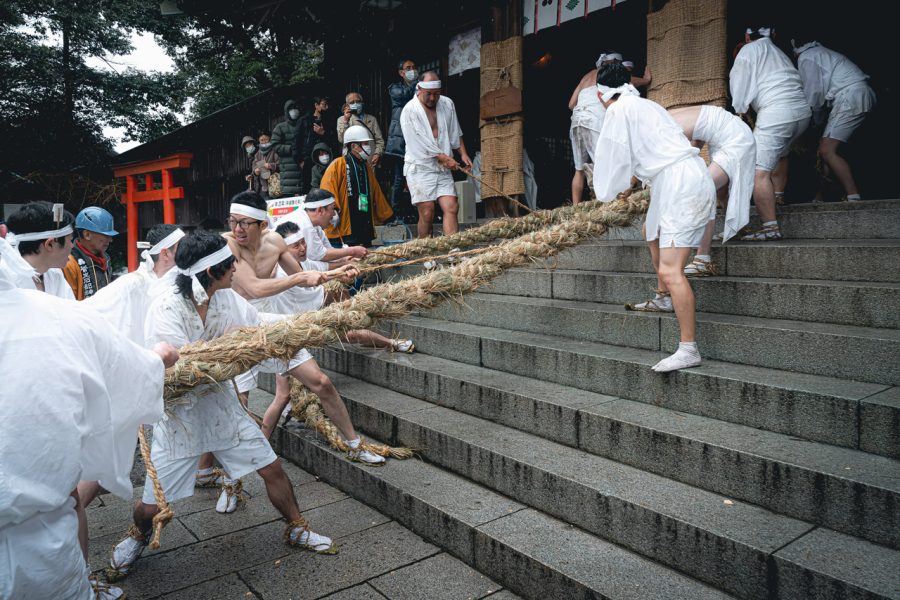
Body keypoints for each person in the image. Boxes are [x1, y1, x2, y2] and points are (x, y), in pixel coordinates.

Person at [107, 232, 340, 581]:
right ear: (211, 271)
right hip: (181, 418)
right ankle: (138, 535)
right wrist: (237, 351)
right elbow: (183, 369)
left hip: (223, 408)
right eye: (229, 262)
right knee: (152, 505)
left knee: (271, 468)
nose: (236, 266)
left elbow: (259, 325)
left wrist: (304, 326)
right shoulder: (166, 308)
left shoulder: (227, 298)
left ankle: (296, 526)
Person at [0, 235, 177, 600]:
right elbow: (119, 356)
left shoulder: (54, 295)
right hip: (40, 535)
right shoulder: (57, 314)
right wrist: (155, 358)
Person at [223, 190, 385, 467]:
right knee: (237, 400)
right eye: (233, 221)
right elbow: (254, 287)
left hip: (268, 320)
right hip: (235, 326)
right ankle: (226, 476)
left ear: (263, 225)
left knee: (321, 382)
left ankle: (354, 444)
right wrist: (301, 275)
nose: (237, 229)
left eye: (244, 223)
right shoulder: (227, 244)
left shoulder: (274, 241)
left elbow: (301, 277)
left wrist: (336, 273)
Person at [592, 63, 716, 372]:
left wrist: (607, 196)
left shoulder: (617, 110)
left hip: (678, 184)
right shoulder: (648, 105)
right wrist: (631, 185)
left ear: (600, 94)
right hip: (681, 177)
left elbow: (612, 158)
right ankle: (663, 296)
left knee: (673, 269)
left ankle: (689, 348)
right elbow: (647, 151)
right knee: (651, 230)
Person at [257, 220, 415, 438]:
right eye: (296, 246)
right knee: (283, 394)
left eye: (303, 243)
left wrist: (346, 263)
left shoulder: (306, 263)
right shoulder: (277, 274)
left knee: (351, 333)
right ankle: (262, 446)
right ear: (283, 250)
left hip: (319, 317)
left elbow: (326, 269)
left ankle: (392, 342)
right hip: (291, 333)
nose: (302, 248)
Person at [730, 26, 812, 240]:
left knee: (758, 172)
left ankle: (770, 228)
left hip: (777, 112)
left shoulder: (748, 50)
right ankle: (777, 197)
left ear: (747, 36)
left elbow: (738, 85)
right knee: (781, 154)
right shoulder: (778, 51)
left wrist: (740, 109)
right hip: (801, 113)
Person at [668, 105, 756, 276]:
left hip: (735, 141)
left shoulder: (663, 127)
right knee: (718, 189)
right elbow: (697, 139)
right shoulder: (666, 117)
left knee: (702, 190)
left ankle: (702, 259)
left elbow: (677, 158)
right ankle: (738, 228)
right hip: (726, 137)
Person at [792, 37, 876, 202]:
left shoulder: (807, 57)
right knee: (826, 149)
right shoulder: (819, 53)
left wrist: (809, 123)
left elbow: (814, 95)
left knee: (827, 150)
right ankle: (821, 197)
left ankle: (853, 196)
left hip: (850, 97)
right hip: (856, 94)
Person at [400, 71, 473, 238]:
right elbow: (418, 145)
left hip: (443, 167)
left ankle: (452, 252)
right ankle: (426, 253)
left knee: (452, 206)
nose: (433, 98)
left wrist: (462, 154)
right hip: (420, 167)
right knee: (427, 212)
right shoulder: (409, 111)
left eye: (436, 94)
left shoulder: (447, 104)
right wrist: (445, 159)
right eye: (428, 94)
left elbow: (455, 131)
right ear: (419, 89)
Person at [320, 125, 394, 247]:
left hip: (364, 225)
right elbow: (327, 189)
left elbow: (376, 193)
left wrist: (387, 216)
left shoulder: (366, 167)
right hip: (345, 226)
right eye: (365, 144)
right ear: (354, 146)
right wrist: (332, 212)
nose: (368, 147)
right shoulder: (338, 165)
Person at [2, 201, 76, 298]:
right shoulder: (4, 278)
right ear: (49, 244)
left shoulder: (54, 274)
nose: (72, 246)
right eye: (70, 240)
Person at [385, 58, 419, 219]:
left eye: (414, 67)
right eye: (408, 68)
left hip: (416, 137)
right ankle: (396, 213)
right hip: (400, 139)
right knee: (400, 177)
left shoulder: (418, 87)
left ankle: (418, 211)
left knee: (417, 175)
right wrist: (418, 84)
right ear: (401, 72)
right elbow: (406, 95)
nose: (412, 70)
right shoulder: (395, 88)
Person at [63, 206, 118, 299]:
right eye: (106, 235)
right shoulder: (69, 263)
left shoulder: (105, 258)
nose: (110, 240)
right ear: (87, 235)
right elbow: (68, 304)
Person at [292, 95, 332, 193]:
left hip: (325, 158)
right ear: (316, 105)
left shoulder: (329, 120)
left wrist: (323, 133)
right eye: (324, 104)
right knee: (308, 186)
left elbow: (334, 140)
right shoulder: (304, 120)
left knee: (326, 185)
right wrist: (299, 160)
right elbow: (296, 141)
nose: (326, 107)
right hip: (308, 159)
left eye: (327, 105)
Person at [336, 92, 385, 167]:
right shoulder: (342, 119)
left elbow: (379, 140)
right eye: (352, 102)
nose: (355, 104)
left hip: (369, 160)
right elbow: (341, 139)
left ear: (362, 103)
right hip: (351, 161)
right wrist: (346, 121)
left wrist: (377, 153)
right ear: (347, 105)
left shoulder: (371, 119)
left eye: (358, 101)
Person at [271, 99, 304, 196]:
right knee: (289, 197)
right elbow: (275, 145)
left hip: (303, 165)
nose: (294, 111)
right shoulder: (280, 127)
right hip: (288, 167)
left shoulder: (304, 125)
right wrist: (292, 149)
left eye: (296, 108)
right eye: (291, 109)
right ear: (286, 111)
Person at [246, 131, 280, 199]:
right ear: (259, 141)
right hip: (263, 187)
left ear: (270, 139)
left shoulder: (275, 150)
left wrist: (271, 165)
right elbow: (254, 168)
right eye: (262, 140)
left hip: (275, 185)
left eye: (266, 139)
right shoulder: (257, 154)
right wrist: (255, 172)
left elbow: (281, 165)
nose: (264, 142)